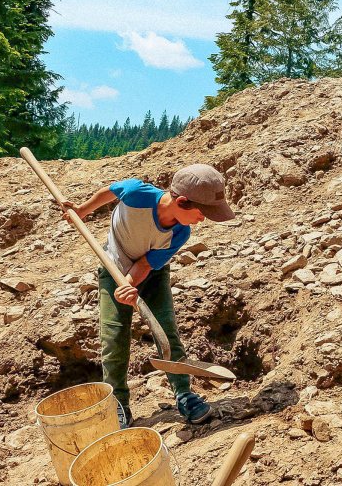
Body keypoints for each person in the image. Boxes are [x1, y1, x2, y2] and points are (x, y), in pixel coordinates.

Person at [61, 164, 236, 428]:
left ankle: (184, 394)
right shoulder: (137, 193)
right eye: (202, 213)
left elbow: (144, 264)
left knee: (166, 330)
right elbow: (110, 191)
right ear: (182, 202)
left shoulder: (180, 232)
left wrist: (129, 285)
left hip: (152, 274)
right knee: (114, 337)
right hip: (112, 268)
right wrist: (82, 210)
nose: (203, 220)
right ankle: (118, 403)